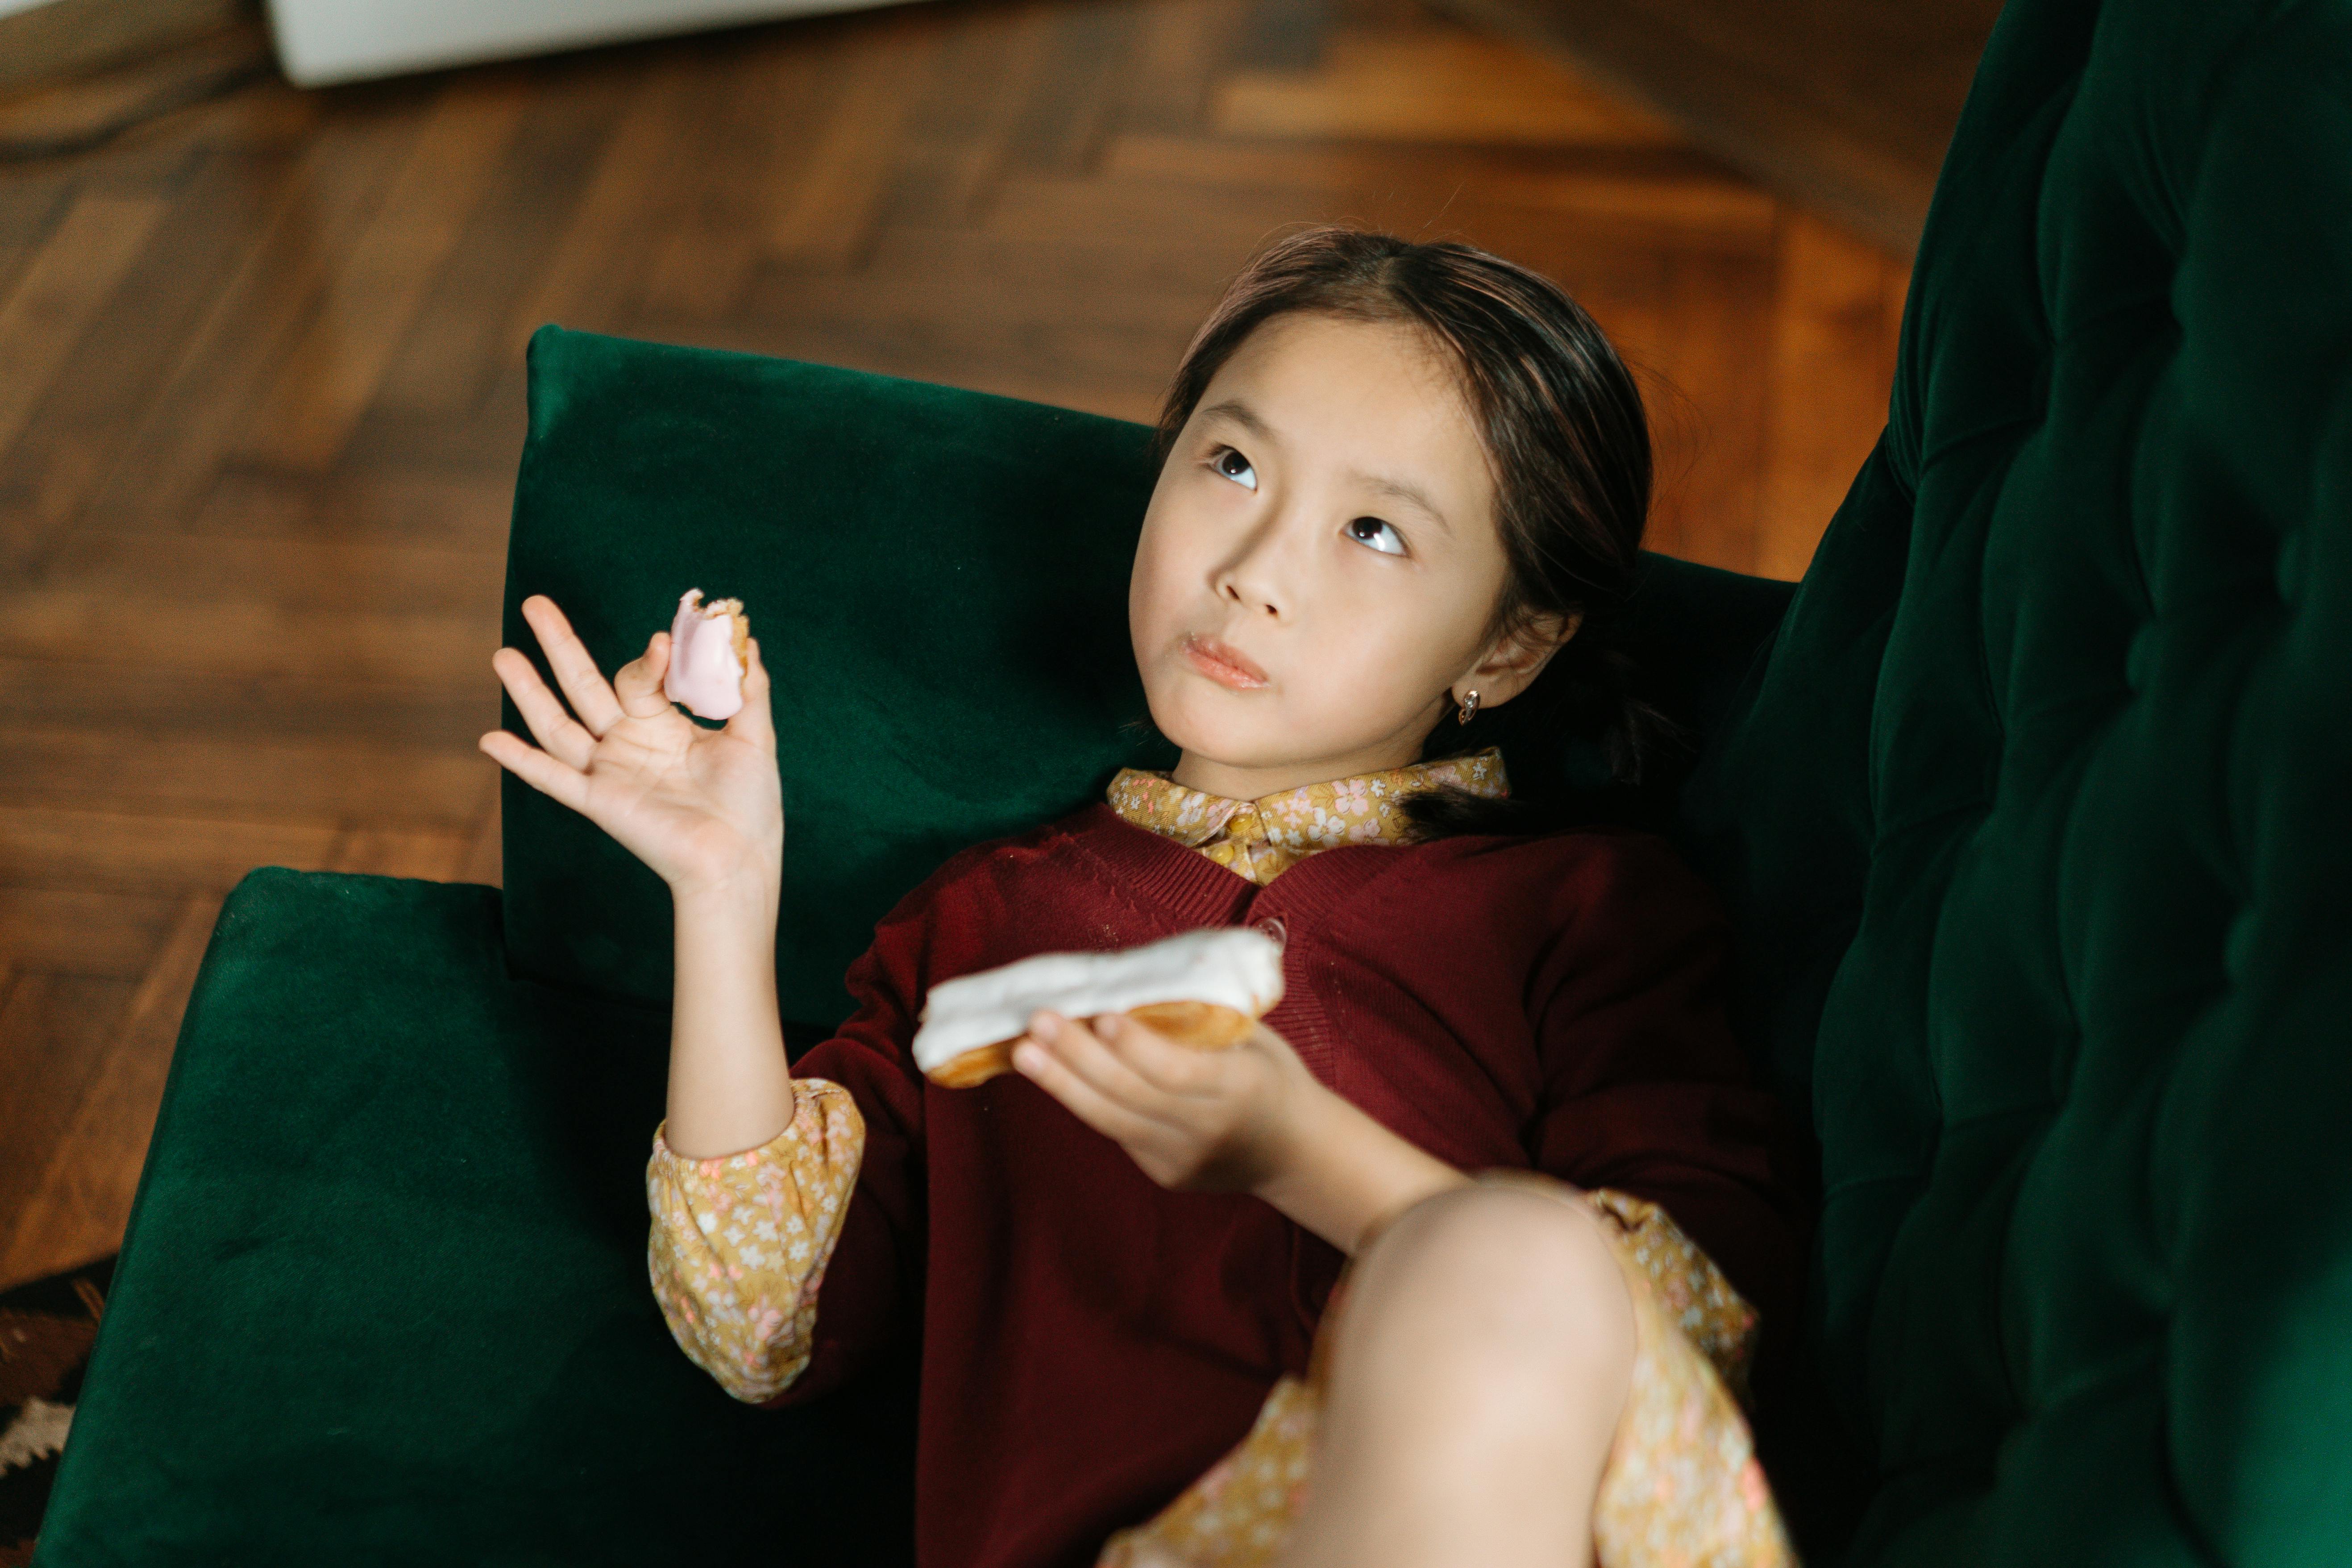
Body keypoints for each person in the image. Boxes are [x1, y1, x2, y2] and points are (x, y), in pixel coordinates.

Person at [481, 227, 1805, 1568]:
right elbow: (761, 1325)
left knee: (1529, 1263)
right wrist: (721, 893)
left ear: (1508, 646)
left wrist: (1297, 1154)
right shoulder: (985, 926)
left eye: (1374, 531)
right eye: (1232, 465)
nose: (1256, 571)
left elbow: (1681, 1329)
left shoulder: (1584, 907)